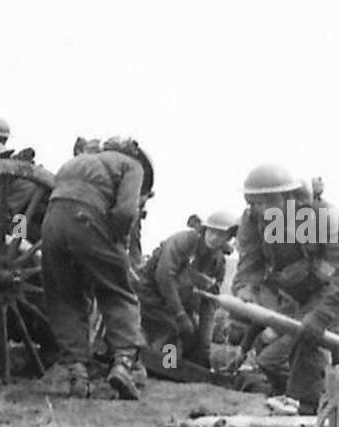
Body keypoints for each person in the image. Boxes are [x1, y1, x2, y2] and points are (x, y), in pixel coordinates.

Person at [231, 164, 339, 415]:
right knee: (309, 338)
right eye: (254, 203)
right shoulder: (252, 221)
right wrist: (246, 292)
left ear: (287, 198)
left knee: (310, 336)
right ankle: (322, 398)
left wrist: (321, 316)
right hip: (306, 291)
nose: (260, 210)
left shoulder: (321, 217)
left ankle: (316, 405)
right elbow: (249, 265)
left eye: (267, 203)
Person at [41, 135, 153, 399]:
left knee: (65, 297)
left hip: (52, 225)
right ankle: (124, 364)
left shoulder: (75, 163)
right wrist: (117, 244)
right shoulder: (131, 166)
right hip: (89, 221)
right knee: (117, 292)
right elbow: (126, 212)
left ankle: (77, 374)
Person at [138, 210, 238, 369]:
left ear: (228, 238)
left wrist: (204, 346)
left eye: (221, 235)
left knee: (193, 338)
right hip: (150, 293)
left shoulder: (218, 264)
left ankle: (189, 369)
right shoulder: (185, 241)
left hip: (177, 302)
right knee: (171, 329)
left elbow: (209, 304)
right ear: (205, 230)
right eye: (211, 231)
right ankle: (165, 367)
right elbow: (164, 276)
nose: (214, 237)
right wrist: (180, 314)